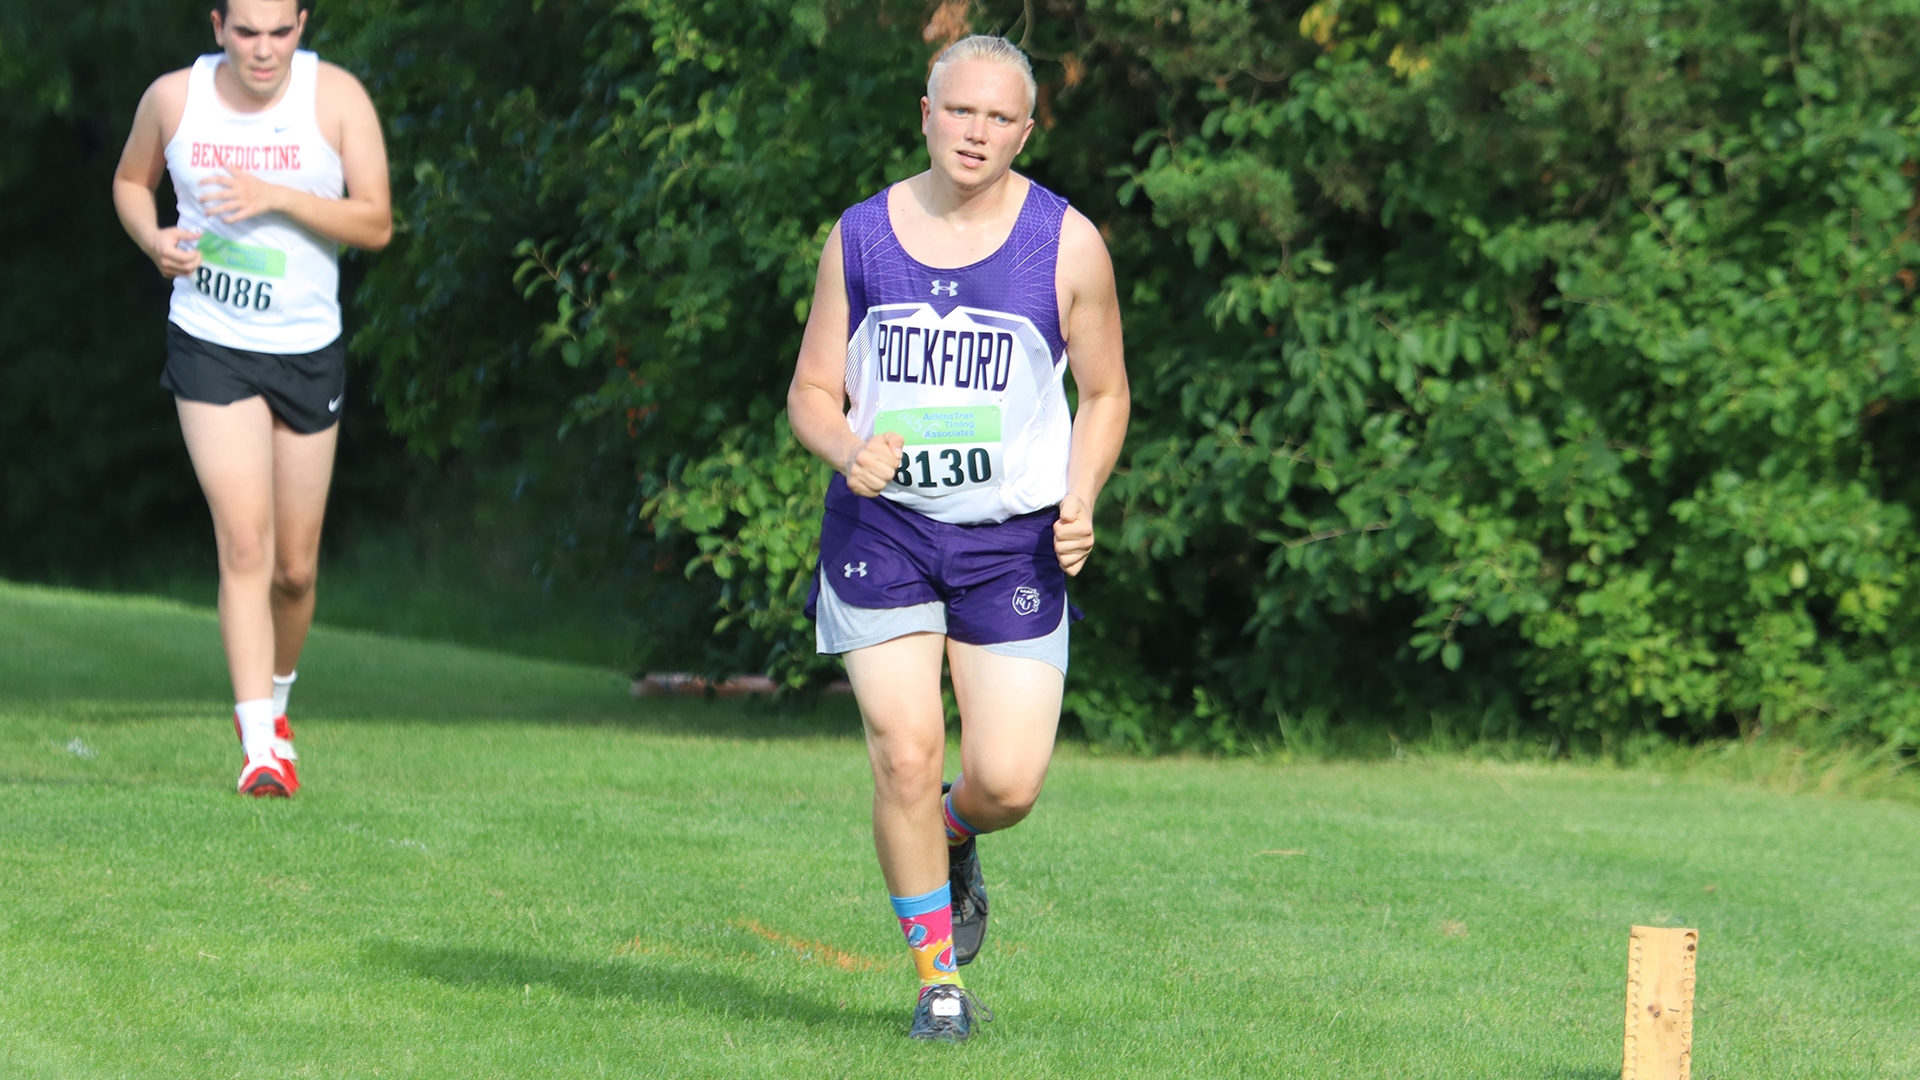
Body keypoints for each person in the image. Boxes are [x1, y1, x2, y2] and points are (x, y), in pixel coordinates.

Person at [786, 34, 1129, 1042]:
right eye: (959, 110)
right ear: (925, 113)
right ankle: (939, 979)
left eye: (998, 117)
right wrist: (848, 448)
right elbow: (810, 391)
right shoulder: (859, 235)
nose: (975, 131)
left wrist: (1083, 495)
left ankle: (953, 832)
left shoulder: (1068, 244)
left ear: (1027, 130)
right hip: (882, 530)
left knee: (1008, 783)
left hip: (1009, 540)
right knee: (904, 747)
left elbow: (1105, 393)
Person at [111, 0, 392, 797]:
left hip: (306, 351)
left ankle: (276, 704)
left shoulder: (335, 99)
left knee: (295, 571)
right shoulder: (175, 99)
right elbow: (132, 181)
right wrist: (154, 238)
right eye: (246, 32)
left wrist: (276, 196)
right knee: (245, 542)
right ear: (216, 27)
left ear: (302, 25)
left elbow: (374, 223)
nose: (263, 51)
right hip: (210, 343)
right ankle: (259, 748)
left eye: (280, 32)